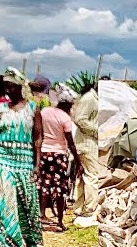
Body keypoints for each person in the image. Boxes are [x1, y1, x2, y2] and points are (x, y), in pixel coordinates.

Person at [0, 69, 43, 247]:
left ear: (20, 87)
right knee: (5, 197)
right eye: (6, 87)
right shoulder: (2, 109)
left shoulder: (33, 108)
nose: (8, 90)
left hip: (25, 159)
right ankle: (7, 237)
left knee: (27, 199)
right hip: (3, 157)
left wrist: (37, 164)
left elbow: (38, 138)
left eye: (11, 86)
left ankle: (28, 237)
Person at [36, 86, 81, 231]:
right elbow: (70, 142)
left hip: (44, 153)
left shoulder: (45, 112)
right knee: (61, 189)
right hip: (59, 155)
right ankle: (60, 222)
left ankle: (41, 215)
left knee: (44, 185)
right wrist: (79, 162)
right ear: (67, 104)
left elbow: (39, 133)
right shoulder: (65, 119)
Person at [70, 79, 101, 217]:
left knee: (83, 177)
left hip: (87, 143)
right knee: (92, 176)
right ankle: (89, 208)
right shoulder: (90, 98)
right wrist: (96, 131)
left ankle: (79, 207)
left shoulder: (94, 98)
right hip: (87, 143)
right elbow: (80, 119)